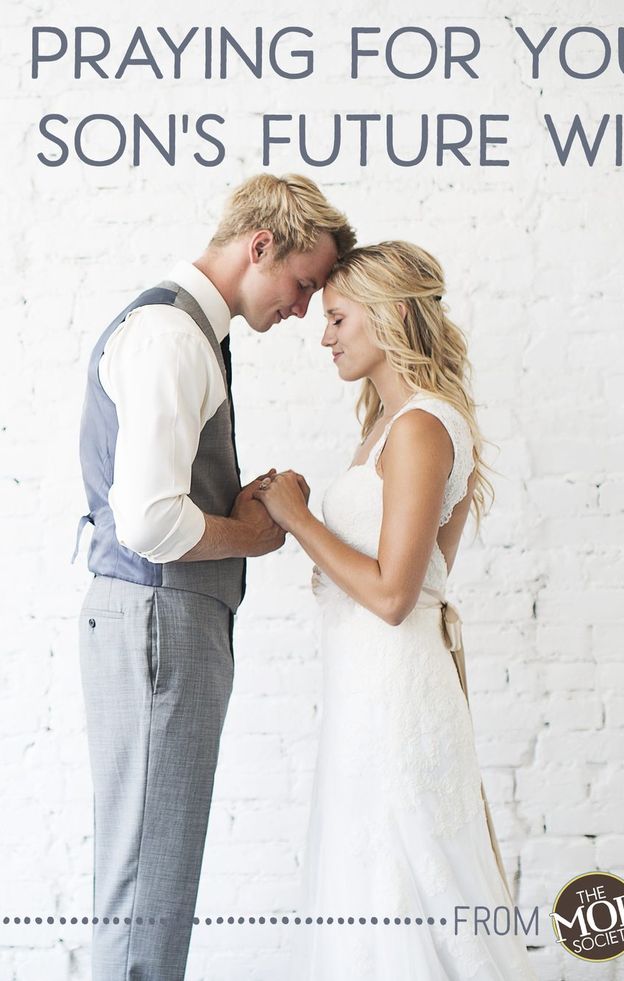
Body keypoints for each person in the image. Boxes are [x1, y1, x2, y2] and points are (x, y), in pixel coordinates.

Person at [73, 173, 356, 981]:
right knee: (147, 882)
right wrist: (254, 535)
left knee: (147, 872)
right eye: (303, 286)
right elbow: (151, 523)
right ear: (260, 245)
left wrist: (227, 510)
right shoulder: (171, 335)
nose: (302, 310)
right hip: (157, 621)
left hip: (156, 622)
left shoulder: (188, 332)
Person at [254, 241, 537, 979]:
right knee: (373, 881)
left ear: (392, 315)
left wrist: (299, 518)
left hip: (395, 695)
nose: (325, 336)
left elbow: (393, 594)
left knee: (402, 877)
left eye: (340, 317)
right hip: (369, 688)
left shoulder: (419, 426)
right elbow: (421, 575)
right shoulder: (390, 424)